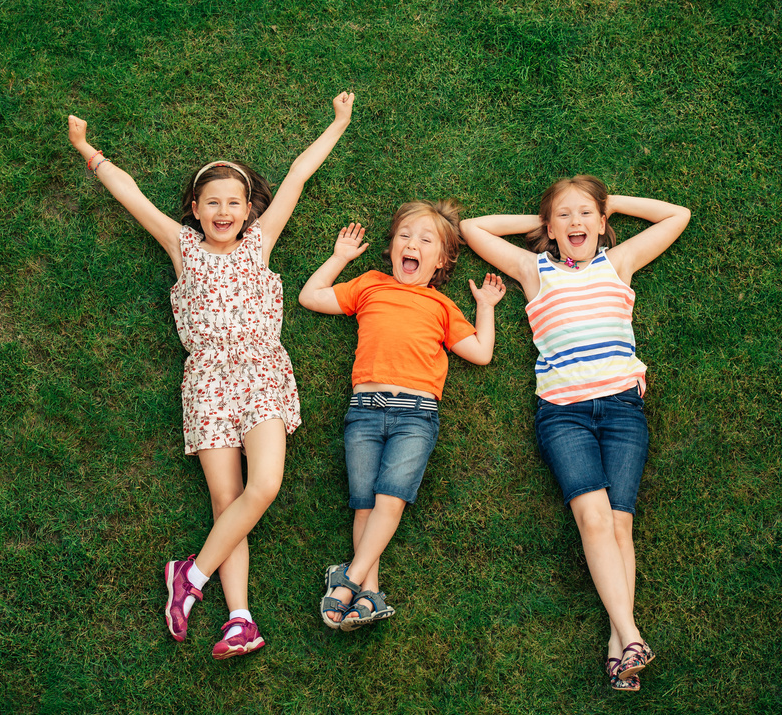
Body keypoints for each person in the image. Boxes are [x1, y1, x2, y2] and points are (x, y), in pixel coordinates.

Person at [68, 92, 355, 658]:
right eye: (212, 203)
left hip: (262, 374)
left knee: (263, 485)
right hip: (207, 384)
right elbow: (132, 195)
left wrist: (338, 122)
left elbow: (298, 173)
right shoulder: (183, 248)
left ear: (249, 209)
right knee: (227, 502)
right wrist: (86, 150)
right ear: (194, 210)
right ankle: (239, 619)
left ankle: (190, 578)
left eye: (234, 202)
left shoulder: (260, 243)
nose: (224, 212)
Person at [460, 176, 689, 690]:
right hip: (563, 413)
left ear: (603, 224)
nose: (575, 223)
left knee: (620, 525)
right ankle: (630, 633)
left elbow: (677, 215)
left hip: (623, 409)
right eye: (563, 216)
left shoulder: (618, 262)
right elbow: (471, 227)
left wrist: (609, 204)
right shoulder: (532, 270)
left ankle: (620, 644)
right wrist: (538, 224)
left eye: (585, 214)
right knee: (593, 517)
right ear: (550, 229)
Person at [298, 201, 506, 631]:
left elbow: (481, 353)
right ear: (392, 248)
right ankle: (368, 595)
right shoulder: (370, 285)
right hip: (364, 412)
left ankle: (347, 581)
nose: (412, 244)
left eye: (426, 240)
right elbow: (309, 297)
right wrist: (340, 258)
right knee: (363, 504)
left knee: (390, 499)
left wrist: (485, 305)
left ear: (442, 259)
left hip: (416, 415)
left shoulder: (443, 307)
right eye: (405, 236)